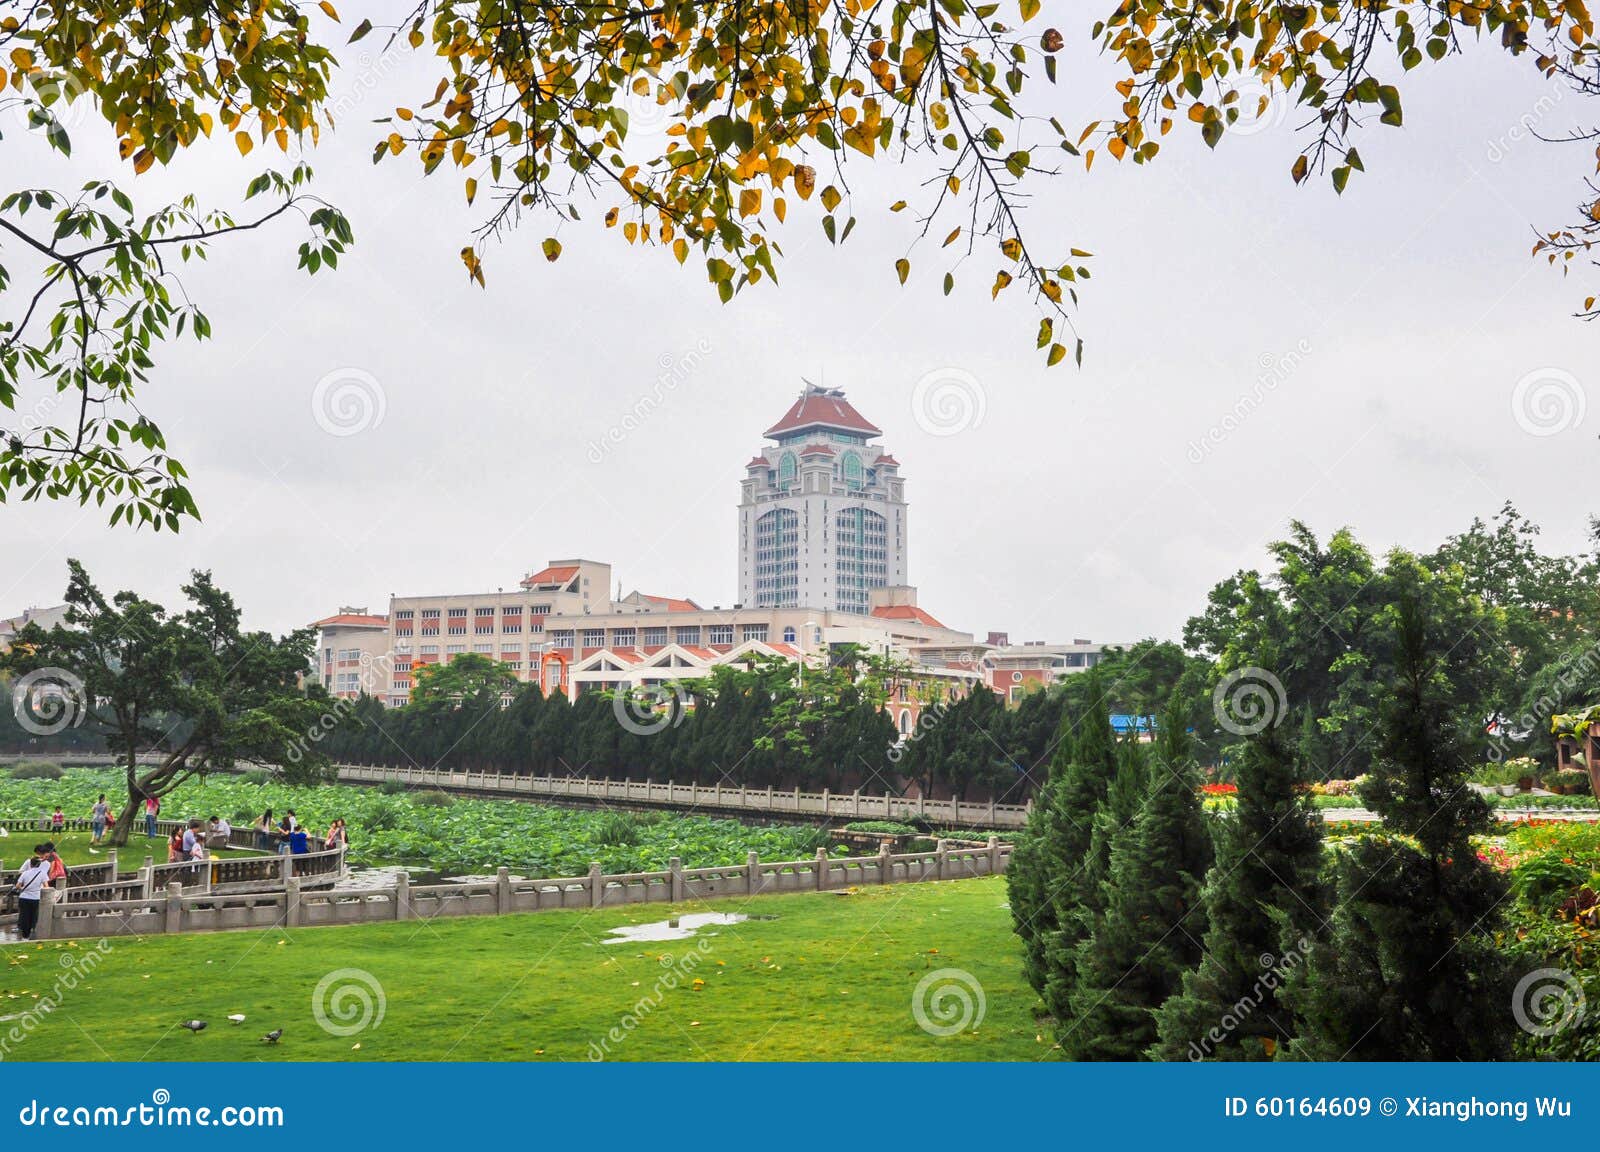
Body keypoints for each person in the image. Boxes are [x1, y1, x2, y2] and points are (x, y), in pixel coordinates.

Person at [11, 846, 50, 940]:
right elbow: (46, 885)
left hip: (25, 895)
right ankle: (30, 930)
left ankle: (25, 933)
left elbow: (17, 886)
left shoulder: (26, 873)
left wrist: (23, 887)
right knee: (31, 914)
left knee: (25, 914)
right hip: (35, 896)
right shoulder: (39, 870)